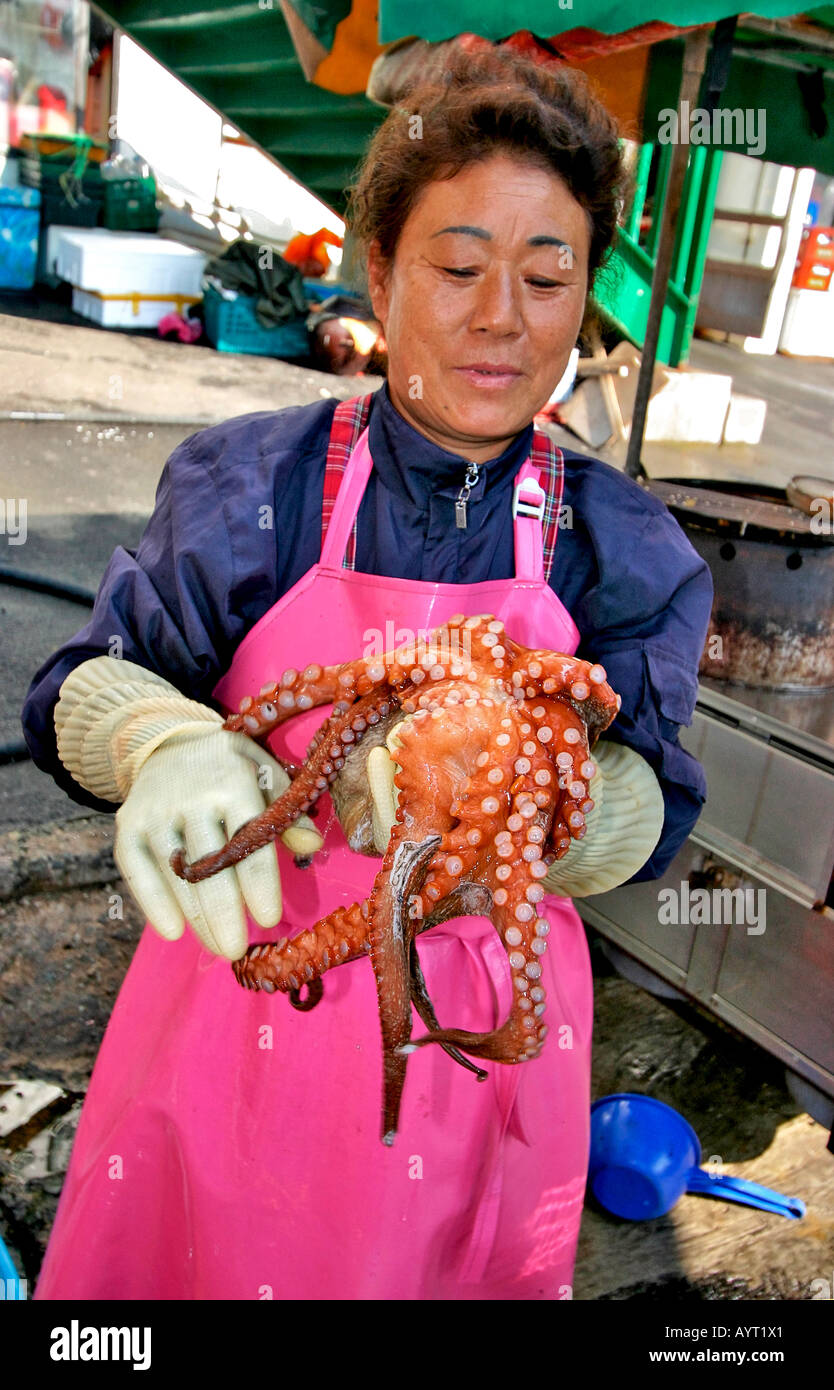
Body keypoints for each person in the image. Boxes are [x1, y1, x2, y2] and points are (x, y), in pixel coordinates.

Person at [22, 49, 712, 1300]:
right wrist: (156, 740)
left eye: (547, 275)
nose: (503, 314)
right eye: (457, 267)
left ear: (582, 298)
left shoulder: (627, 544)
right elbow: (88, 672)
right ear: (381, 274)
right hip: (236, 1020)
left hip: (483, 1043)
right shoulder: (252, 483)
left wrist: (546, 801)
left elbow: (656, 792)